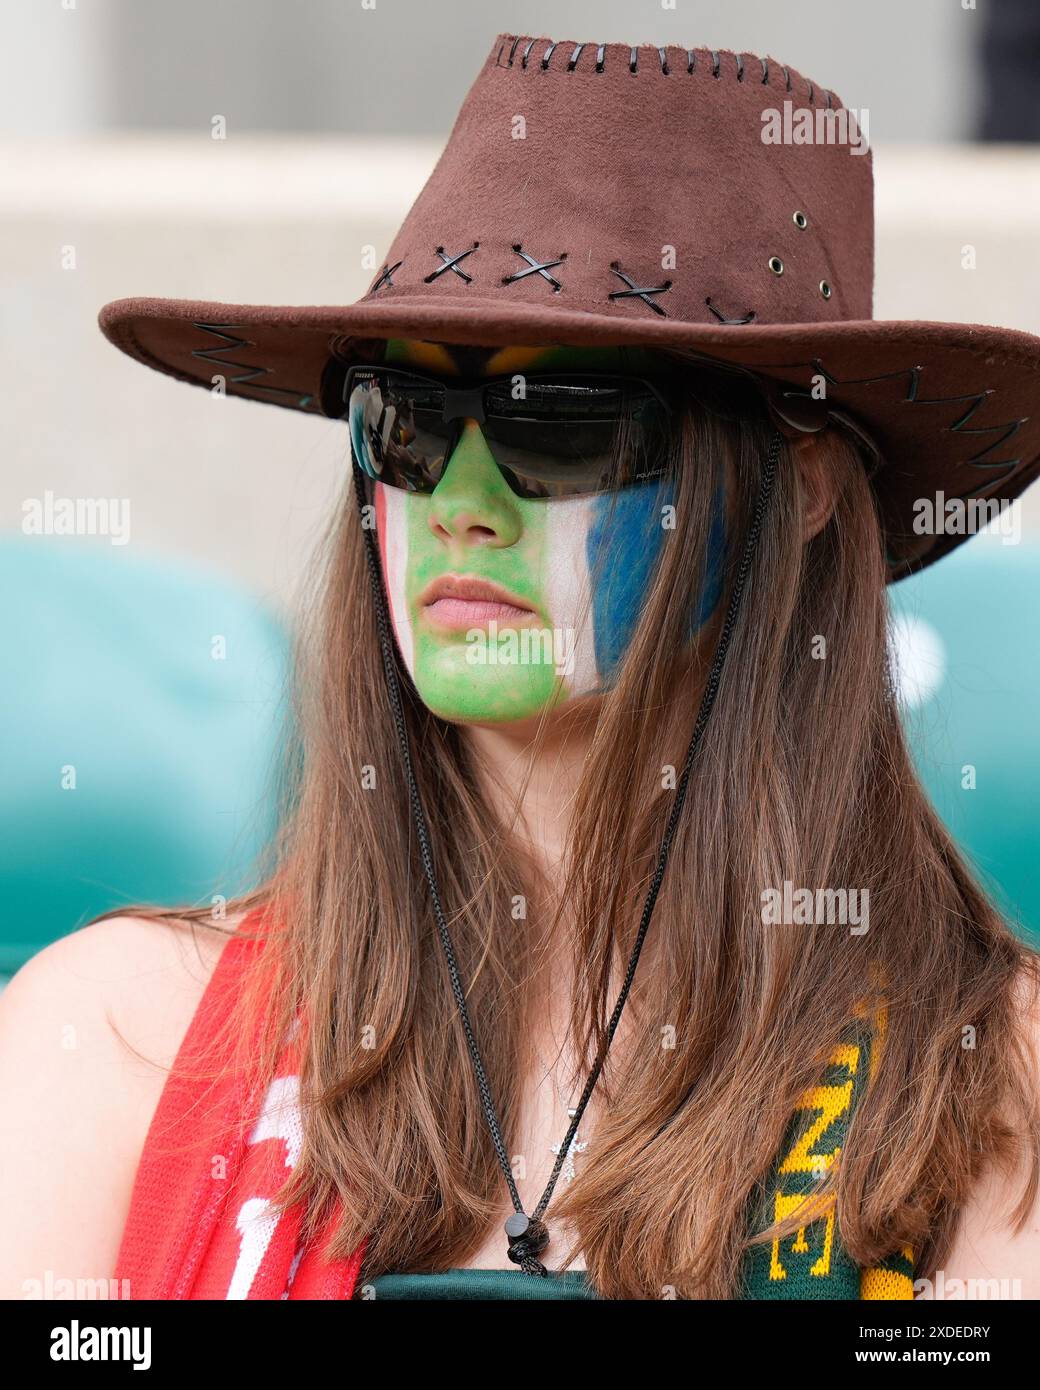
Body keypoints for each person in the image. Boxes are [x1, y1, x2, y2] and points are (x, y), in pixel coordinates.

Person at [3, 33, 1040, 1302]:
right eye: (410, 419)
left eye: (563, 427)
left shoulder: (995, 1087)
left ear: (807, 489)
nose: (462, 503)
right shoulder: (113, 1041)